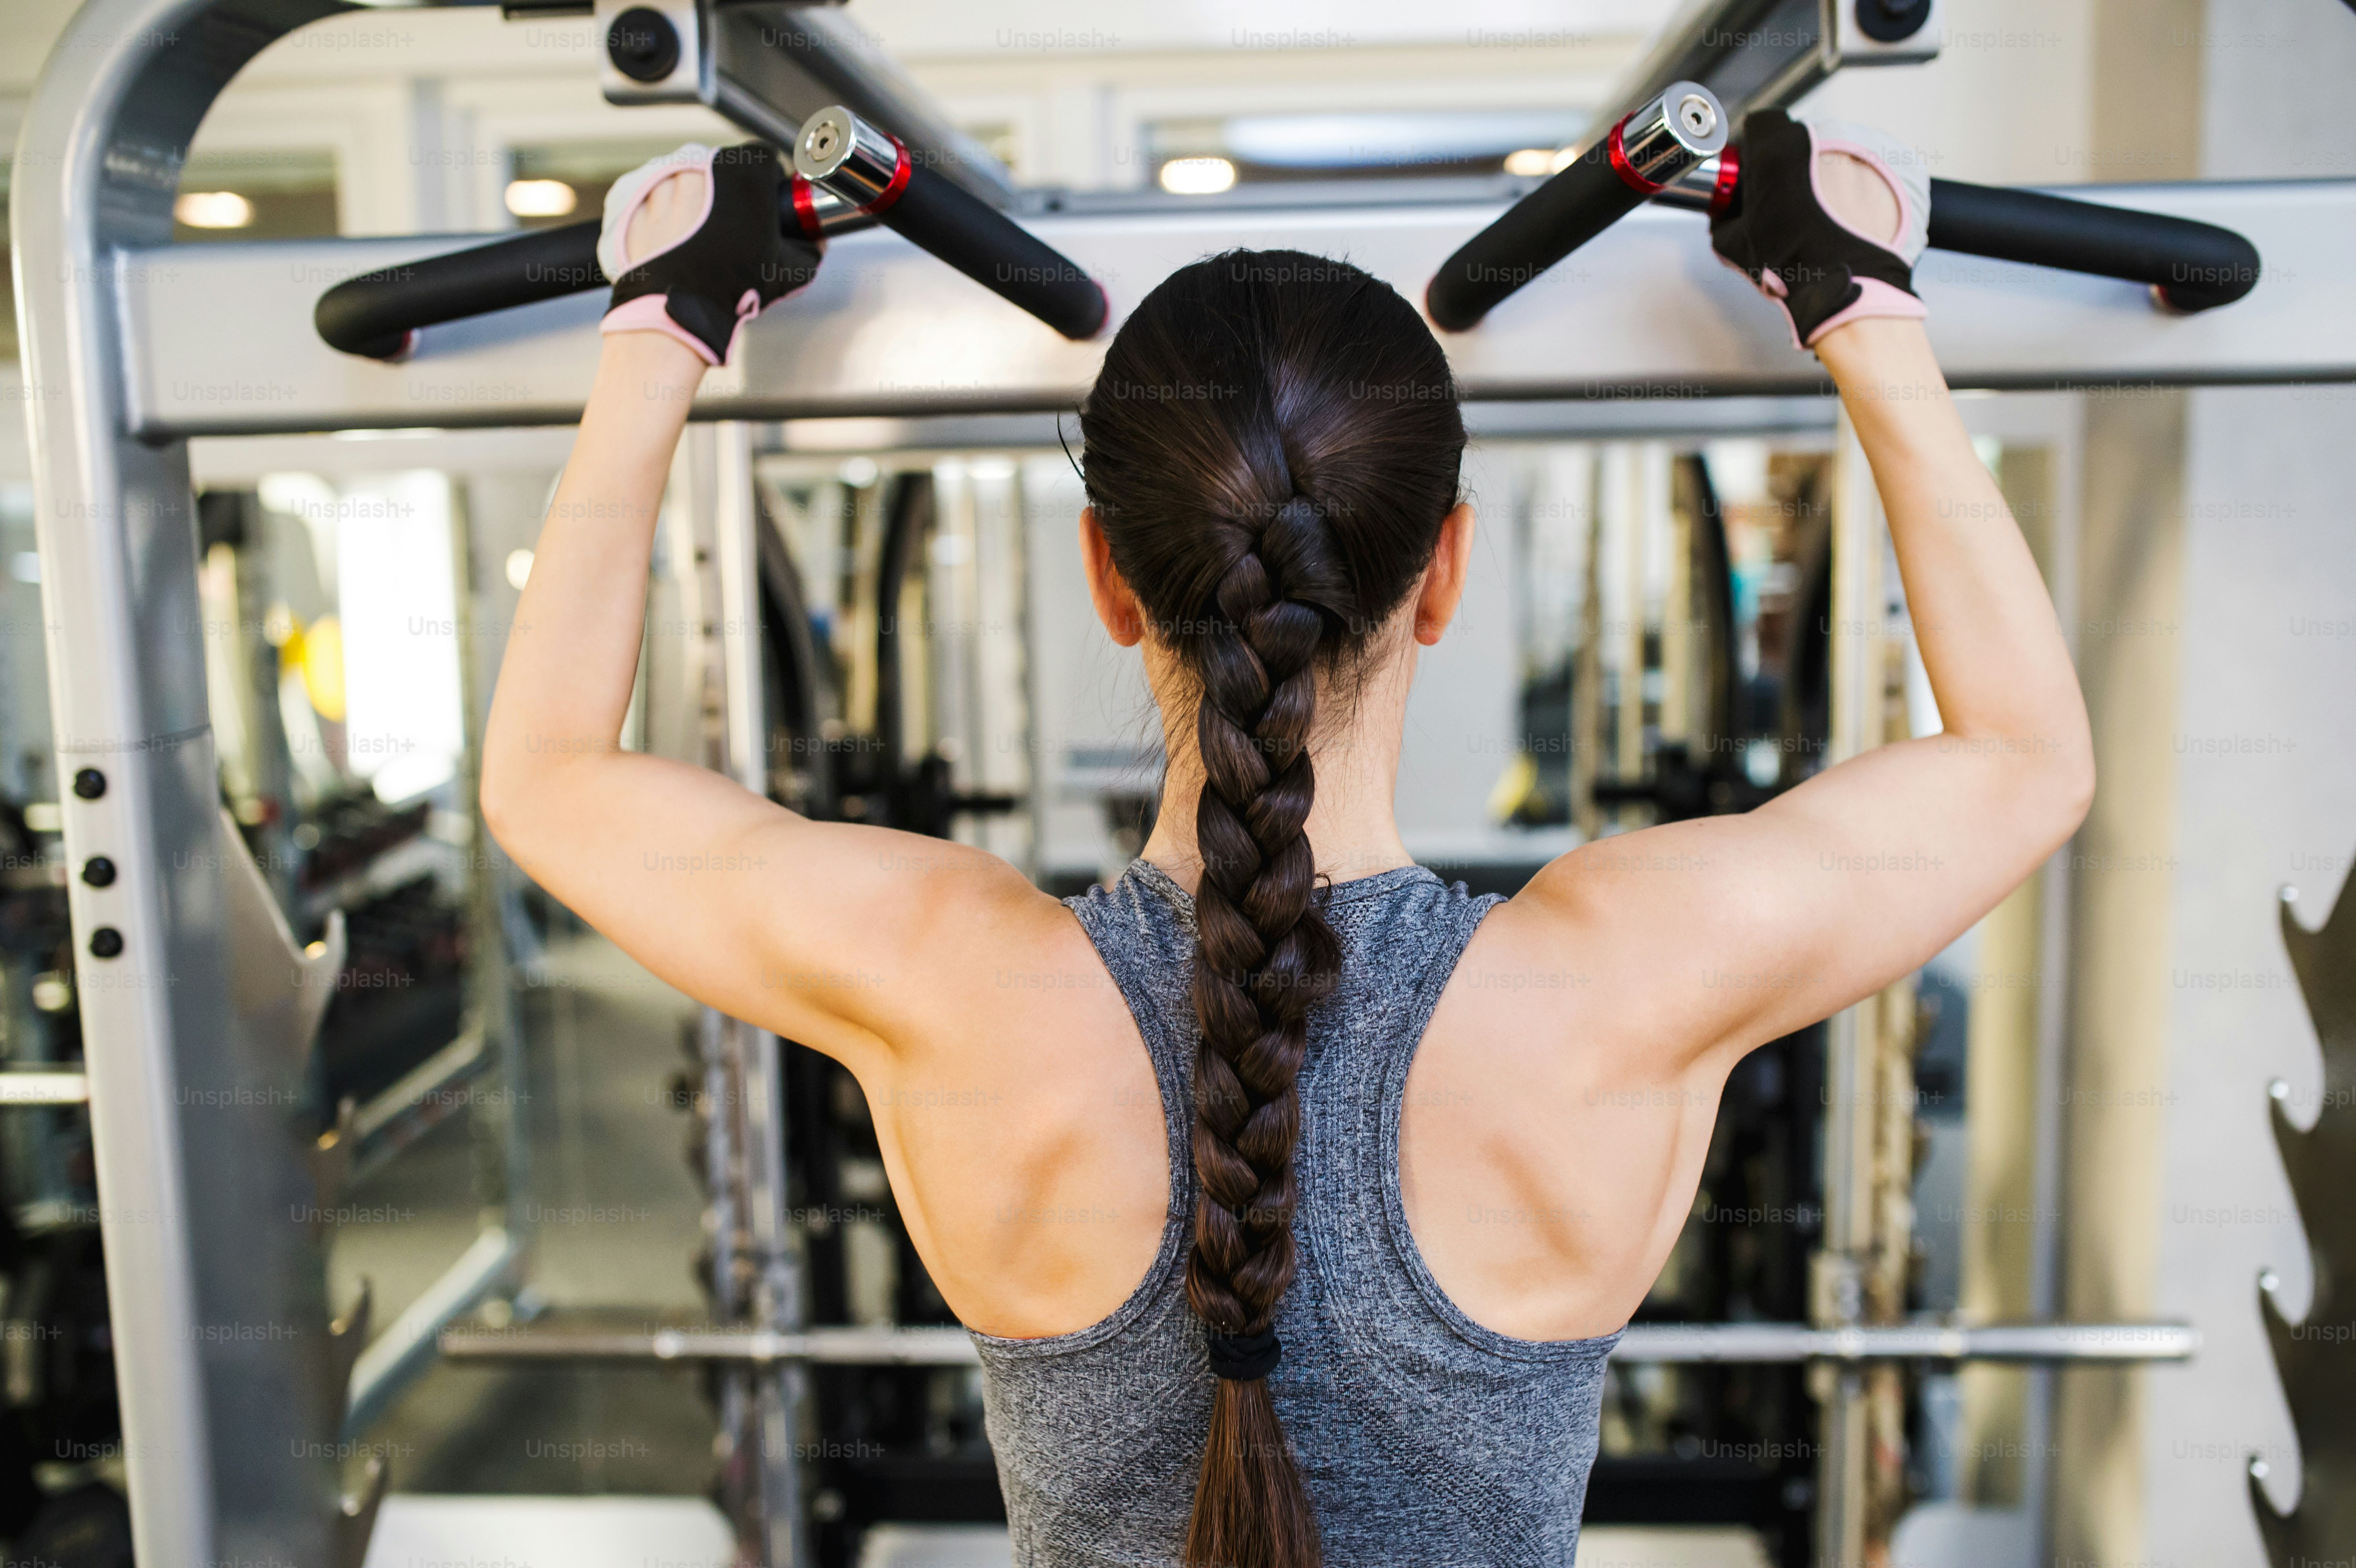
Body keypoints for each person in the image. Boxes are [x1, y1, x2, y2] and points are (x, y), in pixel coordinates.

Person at [481, 113, 2093, 1568]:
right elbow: (2024, 759)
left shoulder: (952, 983)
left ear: (1110, 581)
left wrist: (664, 322)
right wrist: (1859, 304)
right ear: (1444, 575)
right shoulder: (1618, 984)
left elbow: (547, 775)